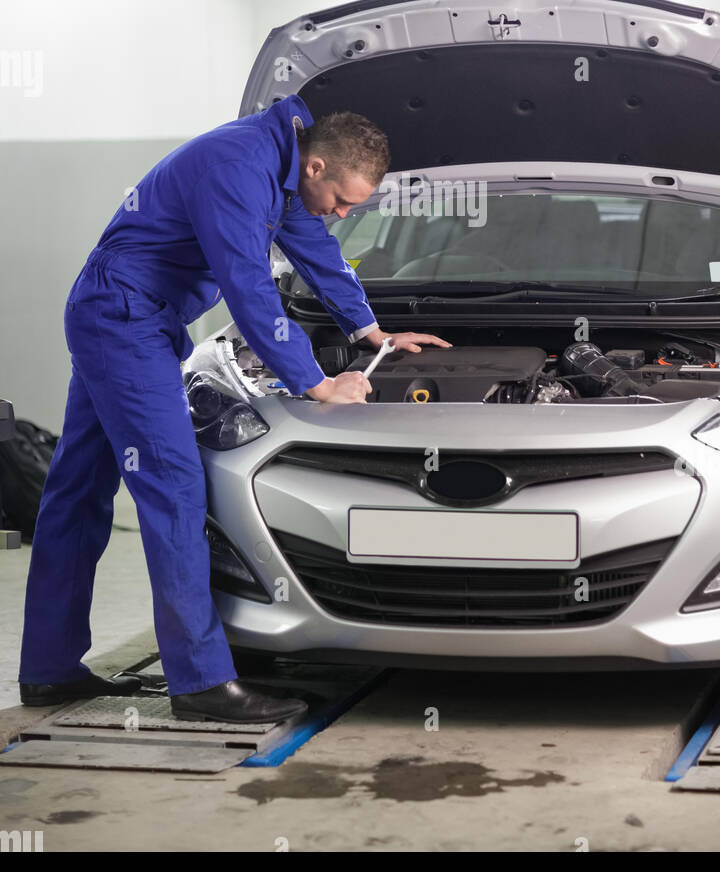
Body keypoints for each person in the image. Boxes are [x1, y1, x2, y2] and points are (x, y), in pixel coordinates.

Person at [18, 96, 449, 722]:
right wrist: (316, 384)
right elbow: (248, 283)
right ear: (317, 167)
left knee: (78, 490)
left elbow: (315, 247)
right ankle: (200, 683)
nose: (345, 212)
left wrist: (369, 332)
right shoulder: (237, 164)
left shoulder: (287, 175)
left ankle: (49, 669)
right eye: (345, 200)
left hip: (131, 315)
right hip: (124, 317)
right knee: (173, 485)